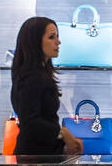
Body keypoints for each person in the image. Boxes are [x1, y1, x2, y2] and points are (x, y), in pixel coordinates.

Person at [10, 16, 83, 158]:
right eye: (51, 37)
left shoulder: (39, 74)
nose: (58, 42)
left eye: (57, 36)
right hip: (34, 159)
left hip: (43, 156)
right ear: (35, 42)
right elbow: (30, 122)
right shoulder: (31, 77)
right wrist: (62, 132)